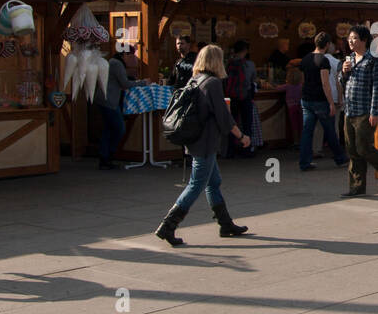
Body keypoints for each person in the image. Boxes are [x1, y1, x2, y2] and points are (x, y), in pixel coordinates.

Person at [154, 45, 249, 245]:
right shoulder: (213, 83)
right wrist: (241, 136)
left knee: (213, 182)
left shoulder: (195, 80)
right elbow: (224, 117)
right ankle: (168, 226)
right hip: (206, 141)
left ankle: (225, 223)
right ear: (216, 61)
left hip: (196, 140)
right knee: (196, 184)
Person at [339, 25, 378, 198]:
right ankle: (357, 186)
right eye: (349, 38)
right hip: (349, 110)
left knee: (363, 148)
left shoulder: (373, 60)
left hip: (365, 111)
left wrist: (375, 112)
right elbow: (343, 82)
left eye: (354, 38)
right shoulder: (349, 59)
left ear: (364, 40)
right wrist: (343, 72)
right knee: (352, 150)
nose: (350, 41)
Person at [297, 33, 349, 172]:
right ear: (327, 45)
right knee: (330, 130)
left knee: (307, 131)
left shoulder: (305, 59)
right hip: (320, 99)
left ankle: (304, 162)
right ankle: (340, 158)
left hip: (306, 99)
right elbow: (325, 83)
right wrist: (331, 102)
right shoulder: (323, 61)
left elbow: (303, 80)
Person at [96, 44, 137, 168]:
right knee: (119, 129)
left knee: (109, 129)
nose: (133, 58)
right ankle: (108, 155)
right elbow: (124, 83)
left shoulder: (113, 62)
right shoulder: (116, 64)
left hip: (105, 100)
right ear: (125, 54)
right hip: (109, 101)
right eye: (131, 55)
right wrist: (142, 82)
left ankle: (105, 158)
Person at [225, 40, 258, 158]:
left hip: (231, 97)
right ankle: (246, 149)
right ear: (245, 51)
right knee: (247, 123)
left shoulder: (228, 63)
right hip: (245, 96)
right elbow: (253, 80)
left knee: (231, 123)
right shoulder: (249, 64)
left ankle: (230, 150)